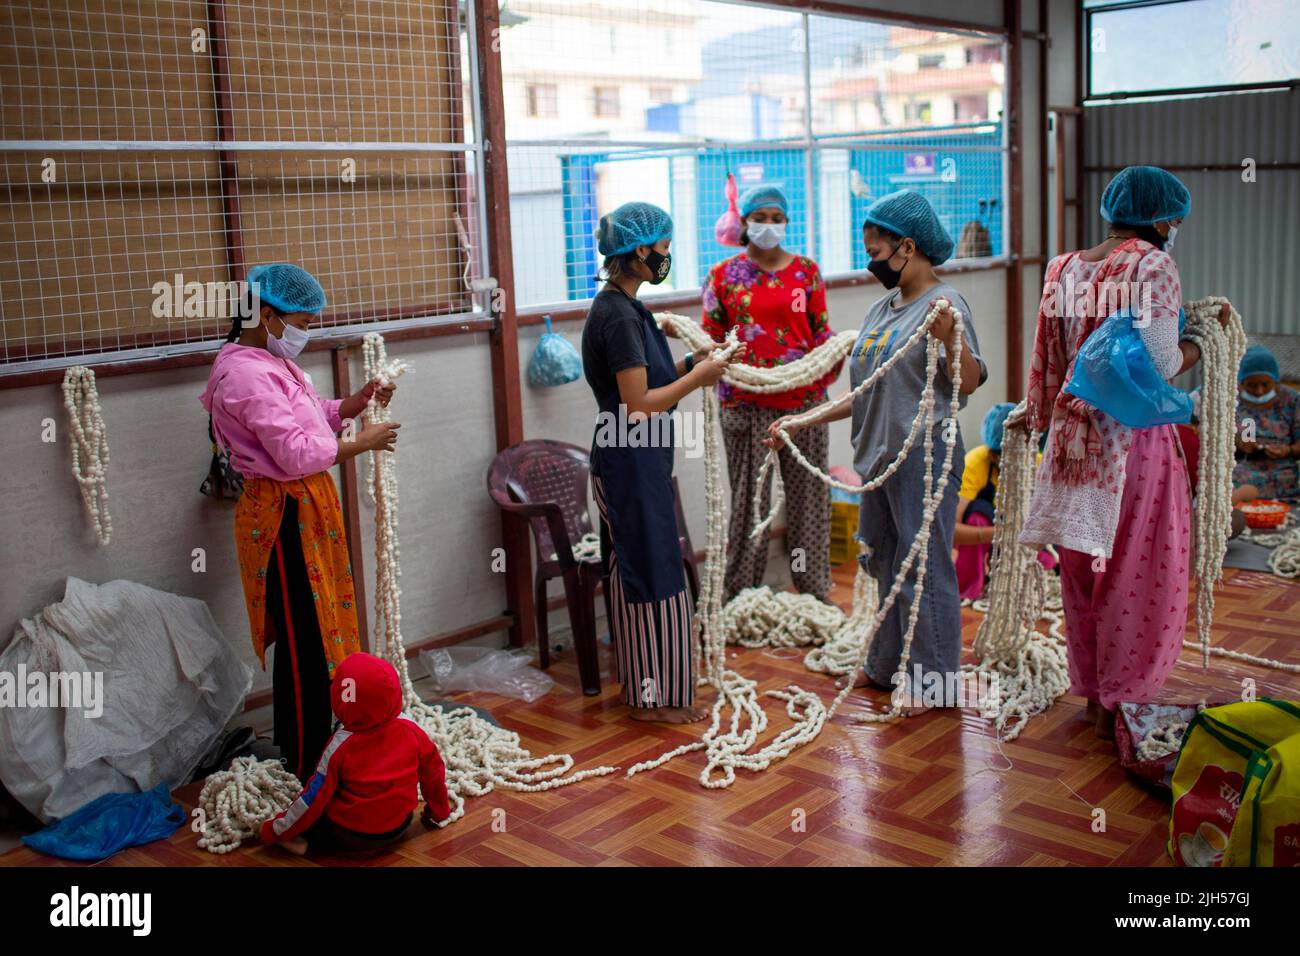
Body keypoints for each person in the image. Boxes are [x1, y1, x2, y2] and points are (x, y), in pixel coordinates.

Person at [1015, 165, 1228, 741]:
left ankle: (1093, 698)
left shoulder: (1062, 268)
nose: (1174, 229)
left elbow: (1053, 361)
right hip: (1129, 446)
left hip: (1069, 443)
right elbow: (1156, 365)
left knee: (1085, 571)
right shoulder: (1152, 264)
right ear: (1161, 219)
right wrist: (1200, 340)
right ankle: (1126, 701)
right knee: (1139, 572)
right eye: (1176, 221)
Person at [768, 189, 986, 710]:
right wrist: (803, 418)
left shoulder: (945, 305)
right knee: (883, 563)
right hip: (877, 459)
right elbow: (863, 391)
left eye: (876, 251)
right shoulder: (881, 309)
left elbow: (971, 381)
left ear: (907, 247)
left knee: (923, 567)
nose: (871, 262)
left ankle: (934, 684)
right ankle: (885, 667)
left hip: (923, 456)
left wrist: (949, 339)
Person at [199, 263, 401, 778]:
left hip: (307, 507)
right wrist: (359, 444)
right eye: (305, 323)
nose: (308, 333)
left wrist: (353, 405)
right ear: (268, 315)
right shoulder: (243, 374)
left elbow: (308, 417)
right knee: (303, 641)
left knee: (323, 628)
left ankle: (326, 746)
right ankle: (304, 762)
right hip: (282, 516)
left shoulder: (267, 361)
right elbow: (292, 453)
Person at [581, 202, 732, 724]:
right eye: (663, 249)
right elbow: (639, 404)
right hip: (627, 462)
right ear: (638, 251)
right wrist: (700, 380)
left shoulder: (628, 308)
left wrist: (696, 361)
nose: (667, 257)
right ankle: (652, 700)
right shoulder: (618, 315)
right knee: (648, 572)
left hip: (640, 461)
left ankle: (661, 689)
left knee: (652, 565)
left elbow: (654, 379)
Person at [669, 184, 841, 603]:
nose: (768, 225)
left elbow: (819, 331)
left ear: (786, 221)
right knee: (750, 506)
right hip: (744, 406)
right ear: (744, 222)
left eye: (774, 217)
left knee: (809, 502)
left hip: (803, 407)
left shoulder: (807, 273)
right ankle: (741, 595)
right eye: (759, 218)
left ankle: (814, 590)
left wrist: (837, 352)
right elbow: (709, 342)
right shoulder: (723, 277)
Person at [260, 653, 452, 855]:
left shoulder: (340, 743)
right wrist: (439, 813)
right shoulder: (413, 731)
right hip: (400, 826)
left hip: (352, 836)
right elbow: (434, 776)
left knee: (316, 808)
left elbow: (313, 797)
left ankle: (306, 844)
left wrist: (273, 830)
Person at [1233, 344, 1300, 501]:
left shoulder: (1292, 400)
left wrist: (1287, 450)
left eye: (1266, 384)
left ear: (1276, 380)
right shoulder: (1229, 398)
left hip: (1282, 471)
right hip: (1241, 467)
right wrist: (1236, 443)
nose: (1259, 391)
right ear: (1241, 382)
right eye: (1252, 385)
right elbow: (1205, 433)